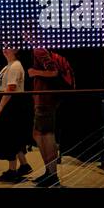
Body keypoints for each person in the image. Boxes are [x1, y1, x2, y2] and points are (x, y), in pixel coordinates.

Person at [28, 47, 74, 187]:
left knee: (46, 134)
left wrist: (34, 72)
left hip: (45, 99)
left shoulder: (39, 50)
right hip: (45, 99)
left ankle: (52, 175)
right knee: (38, 134)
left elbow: (53, 72)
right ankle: (49, 172)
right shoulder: (42, 48)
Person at [0, 48, 34, 182]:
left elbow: (11, 88)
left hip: (12, 104)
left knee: (10, 137)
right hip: (11, 103)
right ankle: (24, 165)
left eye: (9, 47)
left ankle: (12, 170)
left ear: (16, 50)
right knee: (14, 137)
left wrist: (0, 106)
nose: (5, 49)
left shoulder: (15, 66)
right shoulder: (9, 66)